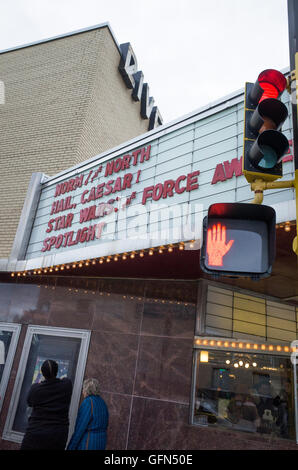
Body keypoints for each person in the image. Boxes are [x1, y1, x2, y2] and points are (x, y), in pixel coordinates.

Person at [20, 359, 73, 450]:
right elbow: (65, 379)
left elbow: (29, 403)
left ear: (43, 373)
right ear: (57, 372)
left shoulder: (35, 389)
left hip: (35, 434)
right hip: (57, 436)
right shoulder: (66, 385)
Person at [67, 378, 109, 450]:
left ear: (86, 389)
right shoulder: (102, 403)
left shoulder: (88, 402)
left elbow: (80, 429)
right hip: (101, 442)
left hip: (89, 443)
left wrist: (71, 447)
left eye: (83, 389)